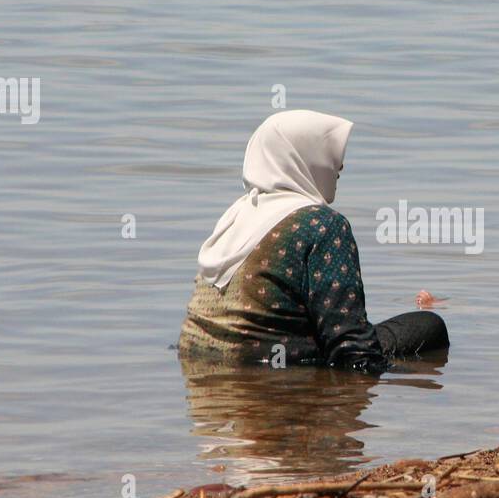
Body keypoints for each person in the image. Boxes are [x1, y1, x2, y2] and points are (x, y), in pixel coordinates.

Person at [179, 109, 448, 371]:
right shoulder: (324, 224)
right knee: (428, 325)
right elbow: (352, 349)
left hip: (201, 370)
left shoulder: (235, 217)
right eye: (330, 153)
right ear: (303, 157)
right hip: (281, 362)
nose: (340, 165)